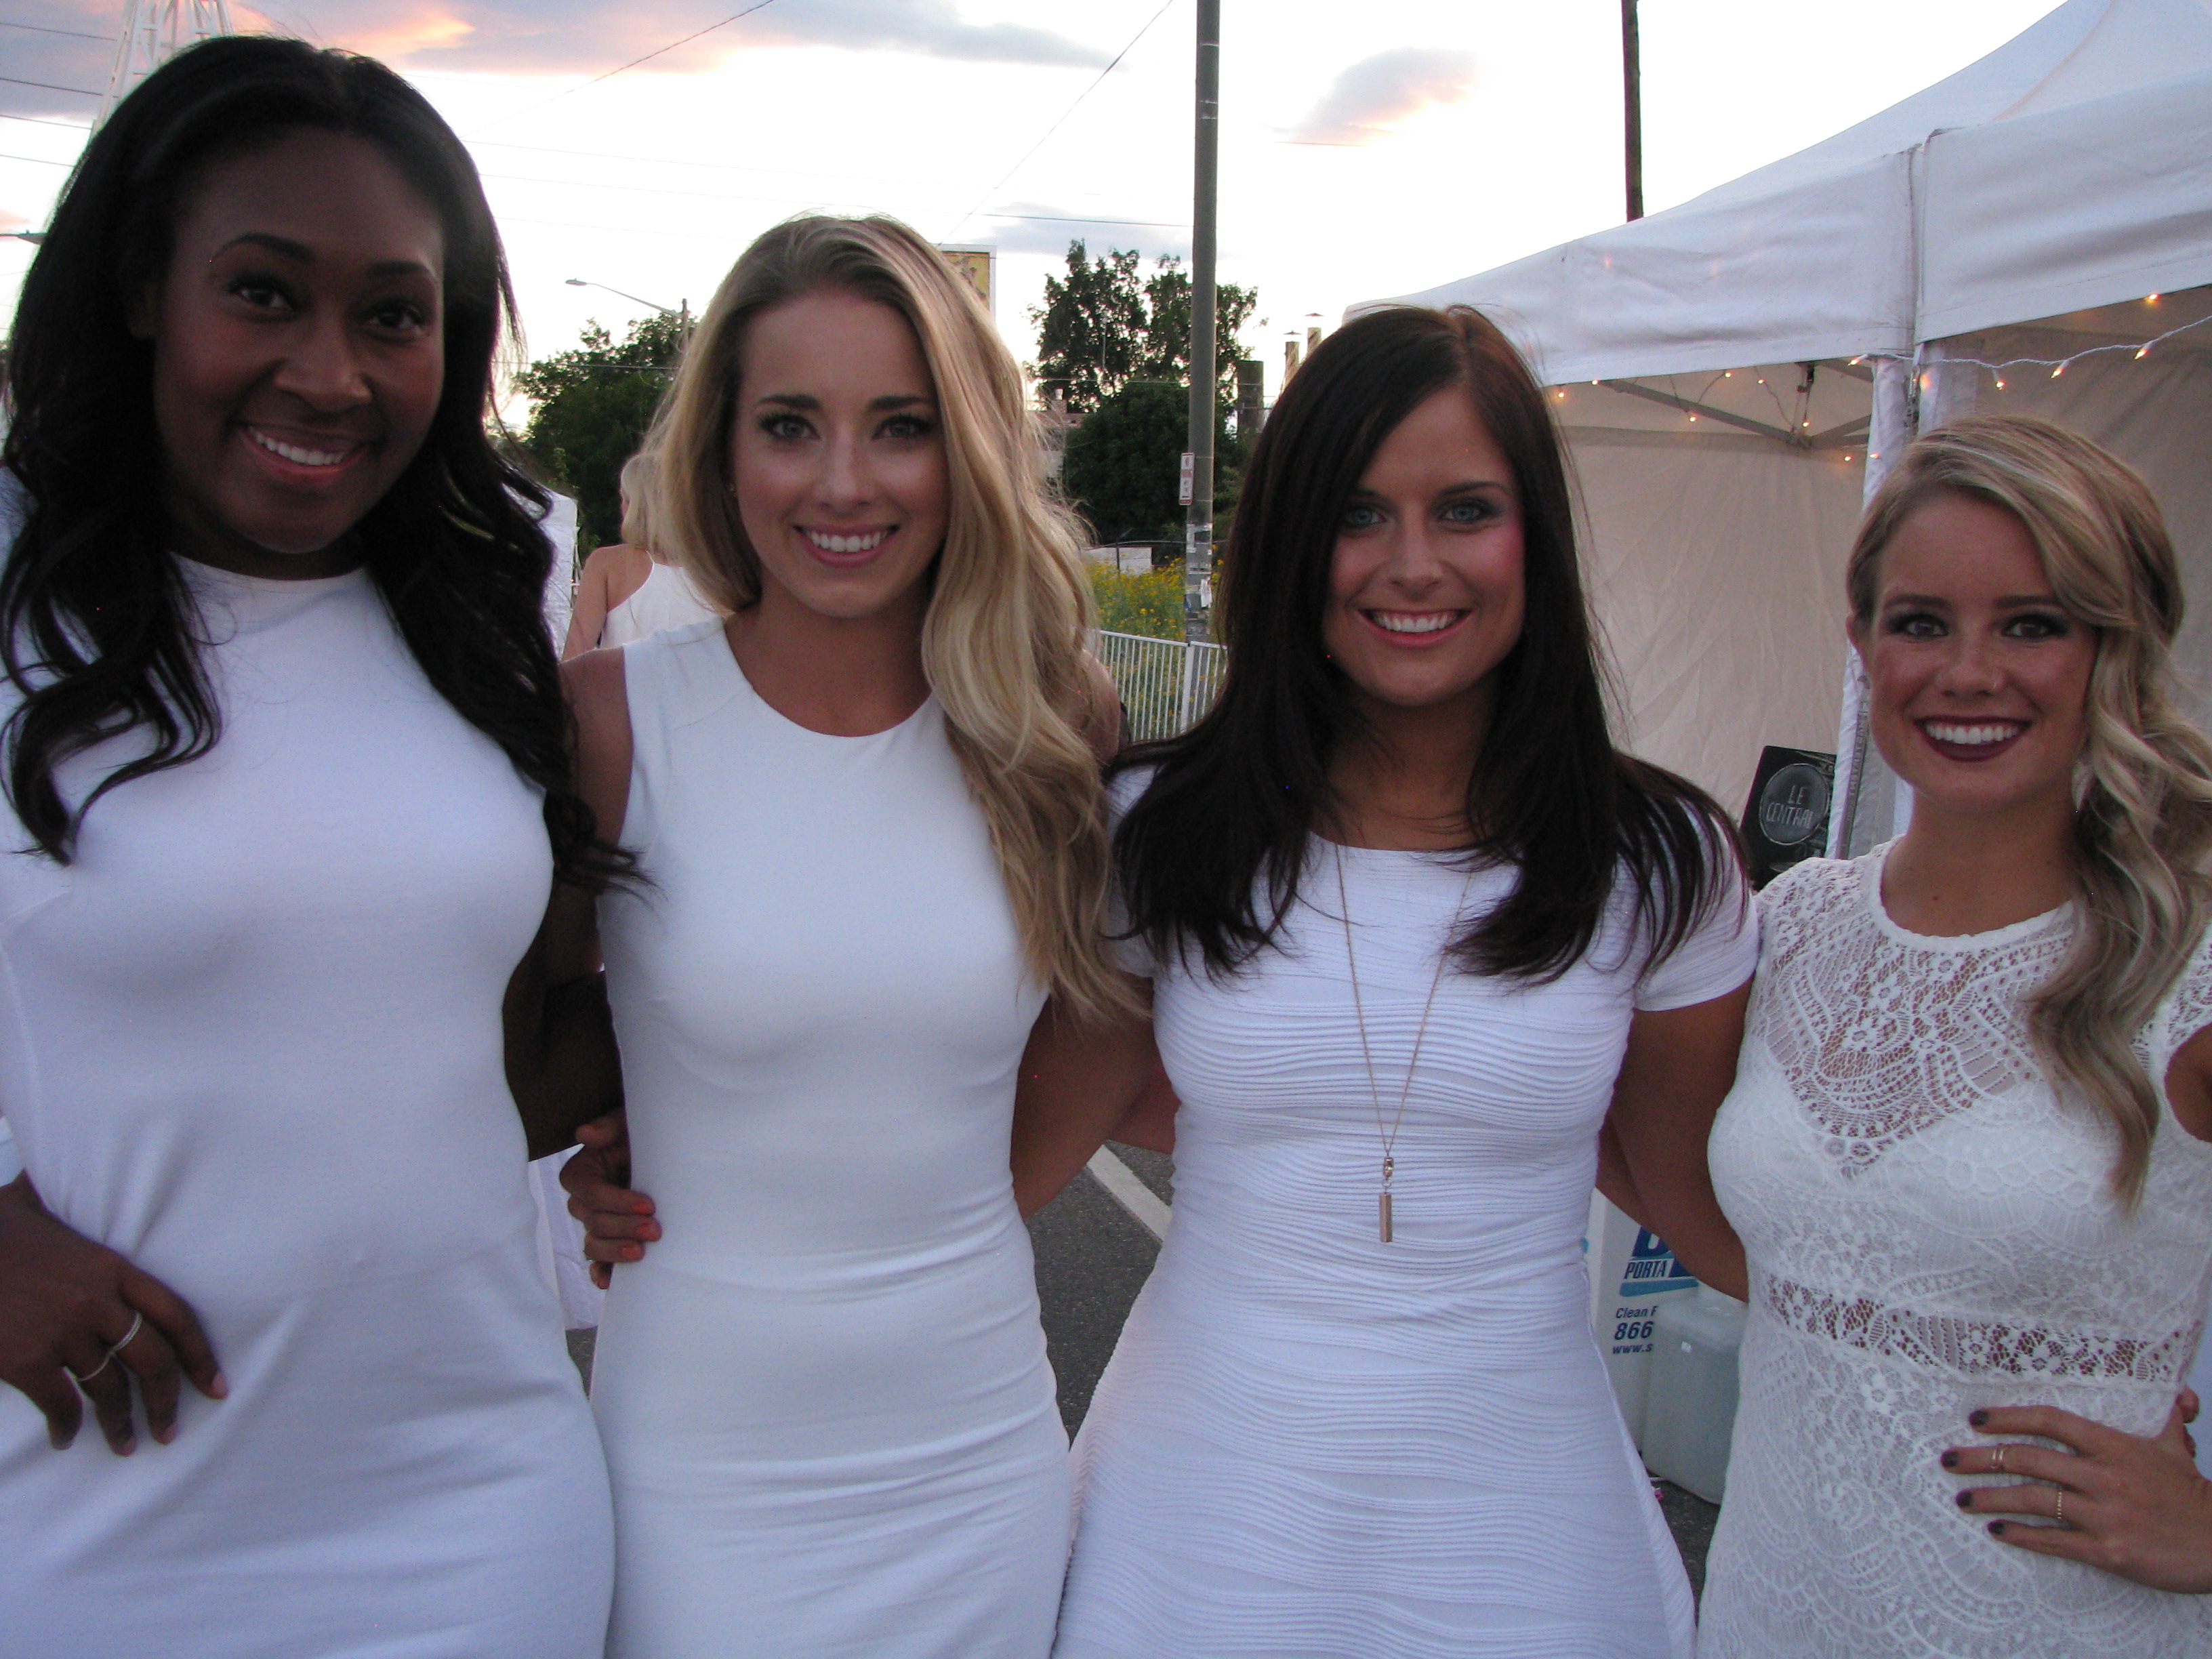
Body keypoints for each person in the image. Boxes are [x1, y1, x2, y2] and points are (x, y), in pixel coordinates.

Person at [1009, 304, 1753, 1657]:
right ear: (1293, 541)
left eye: (1465, 509)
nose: (1412, 565)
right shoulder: (1158, 831)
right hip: (1198, 1520)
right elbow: (1004, 1161)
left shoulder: (1659, 860)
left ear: (1535, 537)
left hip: (1523, 1536)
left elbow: (1708, 1207)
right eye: (1358, 514)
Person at [0, 39, 615, 1656]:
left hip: (478, 1510)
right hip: (93, 1516)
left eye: (393, 315)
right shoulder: (18, 606)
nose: (330, 374)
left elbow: (510, 1054)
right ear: (145, 286)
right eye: (264, 293)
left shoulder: (495, 609)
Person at [551, 213, 1122, 1658]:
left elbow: (1085, 1043)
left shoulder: (1054, 726)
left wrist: (916, 1214)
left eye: (900, 427)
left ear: (966, 450)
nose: (844, 482)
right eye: (790, 425)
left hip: (970, 1457)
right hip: (696, 1469)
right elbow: (517, 1036)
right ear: (721, 450)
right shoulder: (612, 721)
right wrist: (609, 1140)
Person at [1698, 415, 2212, 1656]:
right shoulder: (1792, 923)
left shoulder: (2186, 959)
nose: (1968, 672)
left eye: (2032, 625)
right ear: (1862, 643)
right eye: (1921, 622)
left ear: (2115, 648)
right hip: (1770, 1608)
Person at [560, 449, 720, 658]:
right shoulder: (719, 569)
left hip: (626, 679)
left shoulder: (608, 564)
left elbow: (575, 656)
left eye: (623, 498)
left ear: (633, 505)